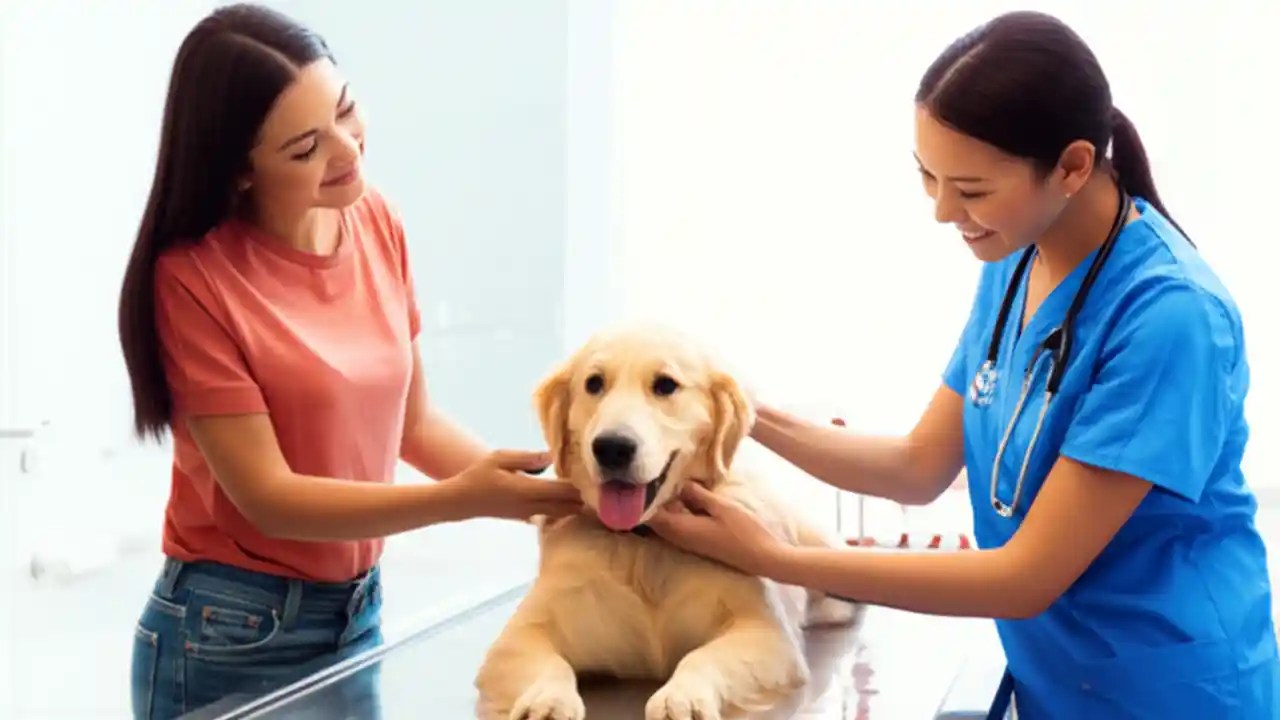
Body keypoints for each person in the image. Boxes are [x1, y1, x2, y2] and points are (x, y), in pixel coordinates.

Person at [648, 10, 1279, 719]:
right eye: (928, 177)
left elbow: (1024, 577)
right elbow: (919, 467)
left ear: (1072, 166)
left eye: (972, 189)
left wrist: (779, 560)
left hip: (1170, 694)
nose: (944, 211)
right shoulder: (1016, 257)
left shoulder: (1171, 319)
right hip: (1060, 684)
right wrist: (732, 408)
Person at [115, 5, 582, 719]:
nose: (348, 151)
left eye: (346, 109)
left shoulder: (375, 221)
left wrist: (550, 499)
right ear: (239, 172)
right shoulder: (193, 279)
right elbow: (267, 497)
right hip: (231, 634)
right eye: (305, 147)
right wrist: (464, 501)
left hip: (355, 610)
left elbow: (414, 425)